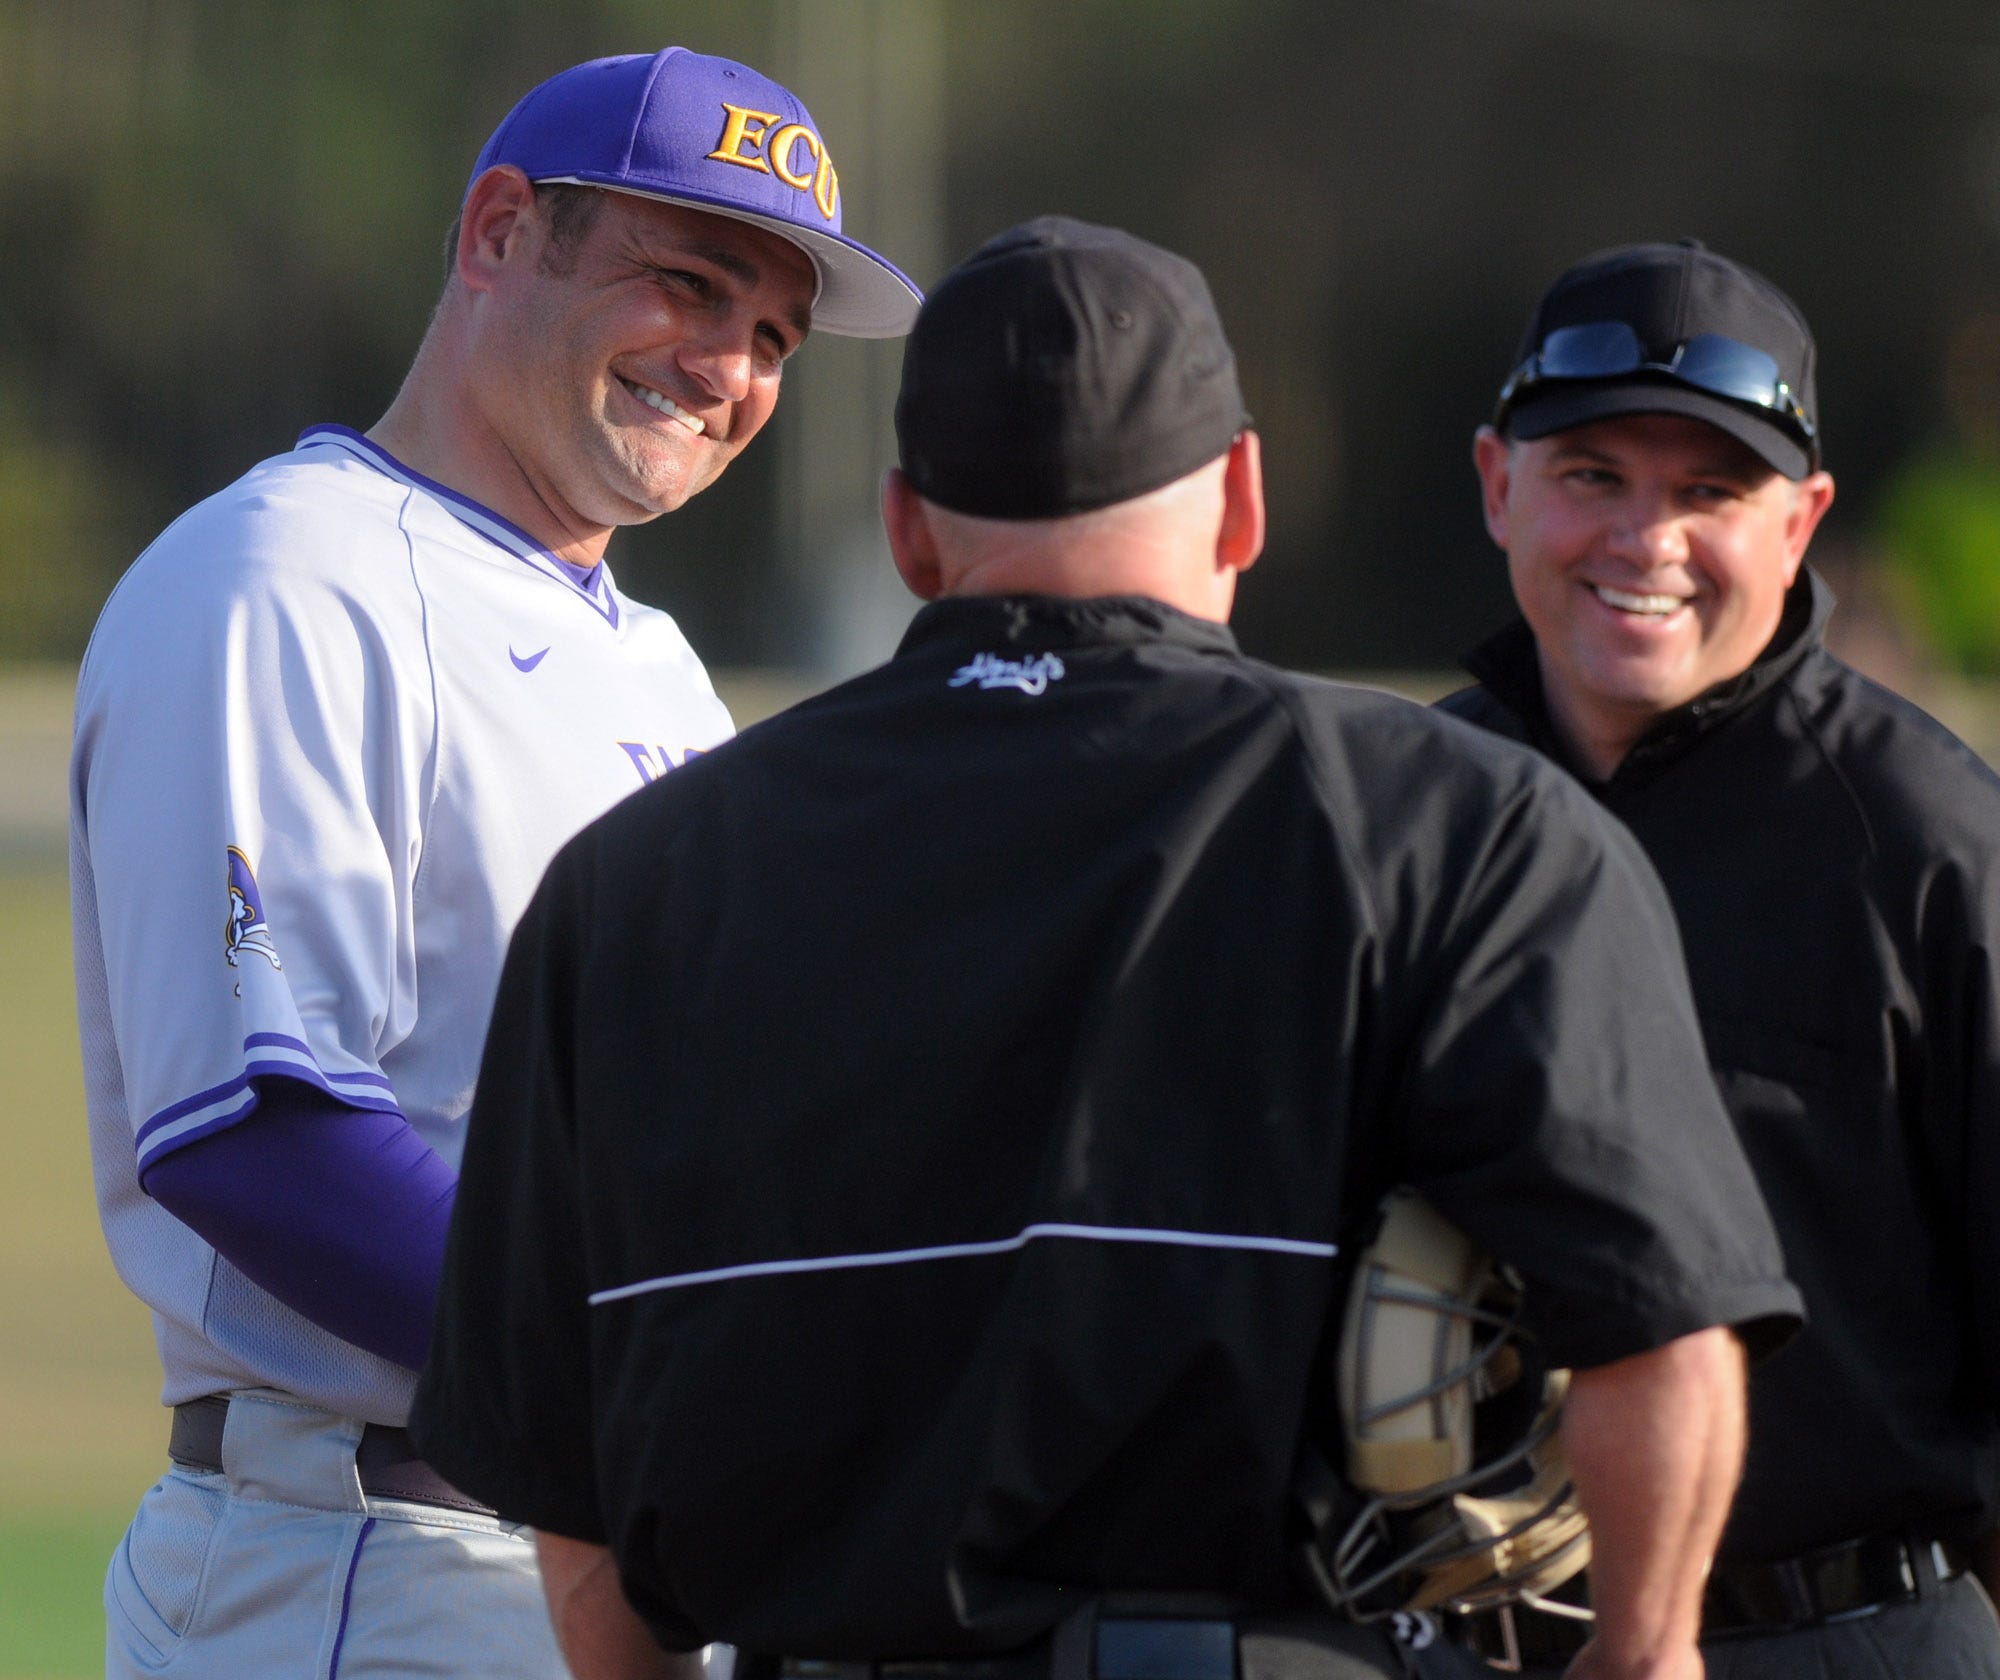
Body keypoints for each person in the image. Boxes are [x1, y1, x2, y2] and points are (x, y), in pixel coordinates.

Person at [411, 216, 1803, 1680]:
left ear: (905, 526)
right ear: (1244, 502)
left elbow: (568, 1501)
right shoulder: (1462, 826)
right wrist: (1643, 1656)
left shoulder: (631, 883)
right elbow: (1665, 1331)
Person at [68, 45, 919, 1680]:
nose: (728, 366)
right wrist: (679, 1382)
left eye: (773, 338)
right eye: (686, 282)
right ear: (498, 233)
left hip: (615, 1557)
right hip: (369, 1565)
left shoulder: (659, 664)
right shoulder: (286, 579)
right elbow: (263, 1134)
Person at [1441, 237, 2000, 1677]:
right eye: (1593, 479)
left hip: (1843, 1636)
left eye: (1710, 492)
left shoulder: (1928, 839)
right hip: (1444, 1646)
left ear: (1804, 522)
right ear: (1500, 484)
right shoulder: (1399, 814)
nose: (1649, 541)